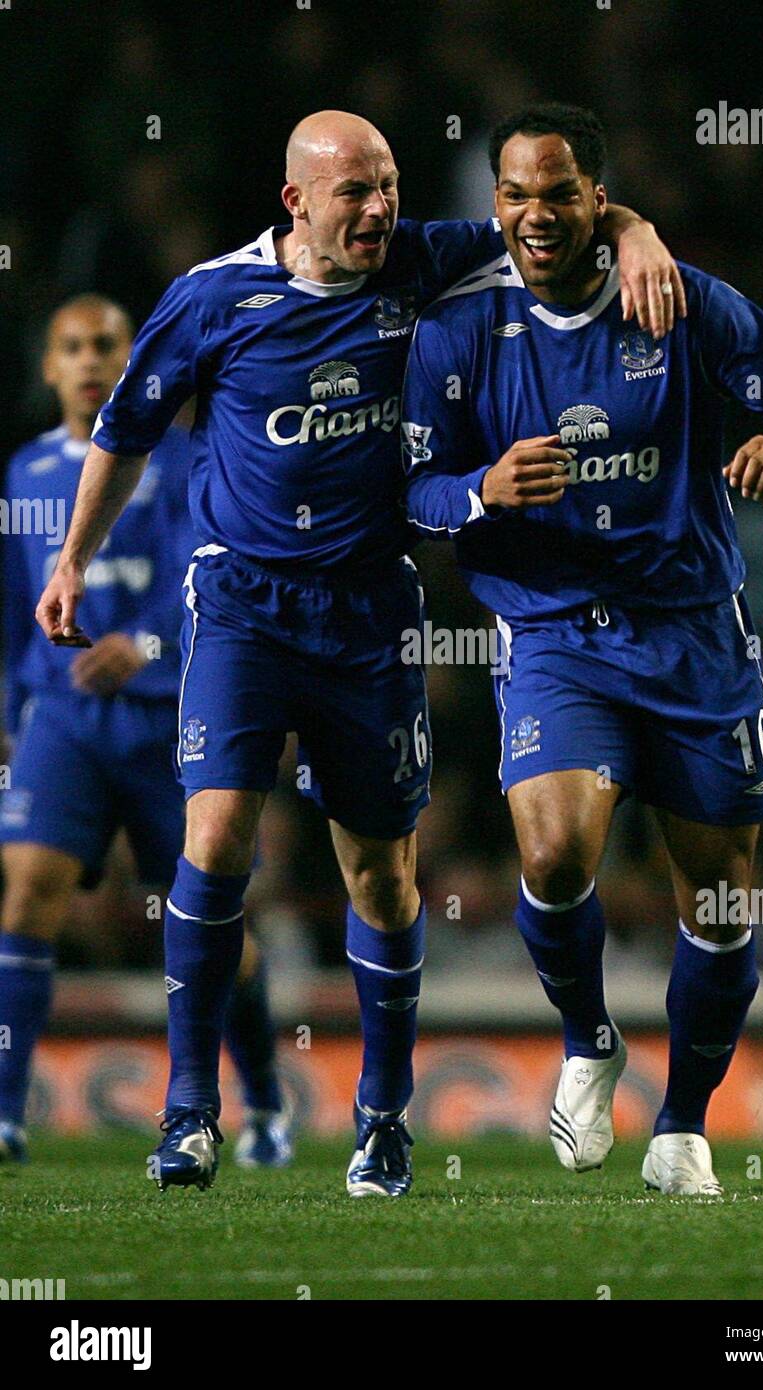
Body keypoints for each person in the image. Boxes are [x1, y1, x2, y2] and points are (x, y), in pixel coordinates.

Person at [35, 110, 683, 1196]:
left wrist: (640, 231)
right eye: (355, 194)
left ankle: (382, 1118)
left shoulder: (420, 260)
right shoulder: (211, 298)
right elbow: (125, 431)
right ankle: (191, 1109)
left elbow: (550, 225)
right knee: (218, 833)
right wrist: (69, 562)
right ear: (296, 204)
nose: (381, 208)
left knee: (381, 877)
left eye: (387, 185)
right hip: (241, 601)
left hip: (368, 613)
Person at [401, 103, 763, 1196]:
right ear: (494, 203)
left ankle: (683, 1126)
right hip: (556, 631)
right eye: (515, 194)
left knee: (718, 897)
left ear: (596, 201)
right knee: (555, 854)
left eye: (557, 193)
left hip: (693, 630)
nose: (534, 215)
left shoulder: (679, 302)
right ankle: (588, 1036)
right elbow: (410, 493)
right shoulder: (459, 332)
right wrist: (479, 489)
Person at [1, 296, 291, 1170]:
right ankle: (8, 1116)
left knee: (212, 919)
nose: (91, 361)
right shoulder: (25, 473)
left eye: (107, 347)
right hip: (63, 718)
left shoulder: (179, 455)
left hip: (171, 714)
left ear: (134, 359)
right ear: (49, 366)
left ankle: (267, 1103)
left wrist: (148, 642)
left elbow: (211, 575)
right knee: (24, 897)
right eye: (73, 348)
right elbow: (19, 611)